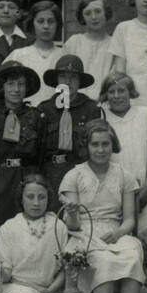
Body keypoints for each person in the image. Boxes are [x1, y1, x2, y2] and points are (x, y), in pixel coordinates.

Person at [59, 119, 146, 293]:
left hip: (115, 231)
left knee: (131, 254)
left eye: (105, 144)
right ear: (86, 146)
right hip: (83, 235)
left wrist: (117, 233)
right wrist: (74, 213)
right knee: (104, 262)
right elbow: (71, 225)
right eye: (95, 144)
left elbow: (130, 219)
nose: (100, 149)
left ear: (112, 145)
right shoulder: (73, 176)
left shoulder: (124, 176)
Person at [0, 61, 44, 239]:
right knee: (0, 232)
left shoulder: (35, 116)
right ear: (2, 88)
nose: (16, 89)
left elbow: (40, 154)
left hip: (25, 176)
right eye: (10, 84)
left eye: (21, 84)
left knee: (27, 230)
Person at [38, 54, 103, 210]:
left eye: (73, 77)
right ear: (56, 81)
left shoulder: (90, 109)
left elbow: (95, 146)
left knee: (78, 215)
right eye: (63, 76)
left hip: (79, 172)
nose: (67, 82)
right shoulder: (45, 109)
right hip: (51, 172)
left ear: (80, 81)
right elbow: (38, 149)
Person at [99, 71, 147, 203]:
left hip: (145, 187)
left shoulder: (145, 114)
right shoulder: (101, 116)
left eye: (121, 90)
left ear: (130, 92)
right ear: (105, 95)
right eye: (112, 91)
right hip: (113, 192)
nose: (117, 96)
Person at [8, 0, 65, 106]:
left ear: (58, 24)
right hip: (25, 115)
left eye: (51, 21)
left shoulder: (64, 55)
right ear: (32, 24)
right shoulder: (18, 55)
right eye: (40, 21)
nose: (46, 26)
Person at [62, 0, 115, 102]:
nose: (94, 17)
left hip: (105, 103)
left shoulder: (115, 43)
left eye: (98, 11)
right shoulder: (74, 42)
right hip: (76, 103)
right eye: (88, 13)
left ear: (106, 13)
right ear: (82, 18)